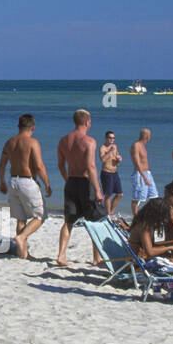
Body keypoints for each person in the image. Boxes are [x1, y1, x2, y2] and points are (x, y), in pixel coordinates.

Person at [55, 109, 104, 268]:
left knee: (69, 220)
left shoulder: (63, 141)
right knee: (95, 220)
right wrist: (97, 190)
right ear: (87, 122)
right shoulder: (89, 141)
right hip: (85, 182)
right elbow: (91, 166)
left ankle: (61, 255)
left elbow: (61, 165)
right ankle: (96, 258)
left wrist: (66, 179)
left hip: (71, 182)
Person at [0, 113, 51, 260]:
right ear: (32, 127)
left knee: (21, 218)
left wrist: (2, 181)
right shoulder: (32, 142)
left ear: (18, 126)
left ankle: (22, 254)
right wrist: (47, 184)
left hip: (13, 181)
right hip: (27, 181)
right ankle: (21, 238)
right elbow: (40, 166)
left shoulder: (10, 142)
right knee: (40, 216)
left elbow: (2, 164)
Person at [130, 128, 157, 215]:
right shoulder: (136, 146)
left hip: (147, 173)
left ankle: (151, 216)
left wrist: (147, 175)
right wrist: (144, 177)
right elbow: (137, 163)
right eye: (149, 135)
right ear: (147, 136)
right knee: (137, 199)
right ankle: (136, 219)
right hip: (140, 174)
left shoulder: (143, 146)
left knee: (154, 197)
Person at [99, 130, 124, 215]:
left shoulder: (114, 146)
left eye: (113, 138)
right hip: (106, 173)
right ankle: (108, 213)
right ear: (106, 138)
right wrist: (109, 152)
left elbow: (117, 156)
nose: (112, 140)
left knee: (120, 194)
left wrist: (119, 159)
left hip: (115, 172)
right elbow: (102, 159)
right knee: (108, 195)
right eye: (110, 138)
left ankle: (111, 212)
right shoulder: (102, 148)